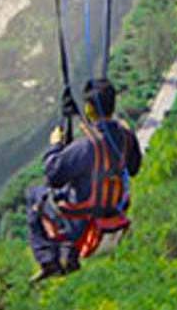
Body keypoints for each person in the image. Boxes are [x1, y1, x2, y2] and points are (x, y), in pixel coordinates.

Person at [25, 78, 143, 282]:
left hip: (81, 216)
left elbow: (54, 175)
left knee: (34, 195)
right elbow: (134, 168)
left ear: (89, 107)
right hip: (112, 208)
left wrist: (55, 146)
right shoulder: (125, 137)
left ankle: (48, 260)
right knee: (75, 187)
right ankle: (68, 254)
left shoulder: (86, 146)